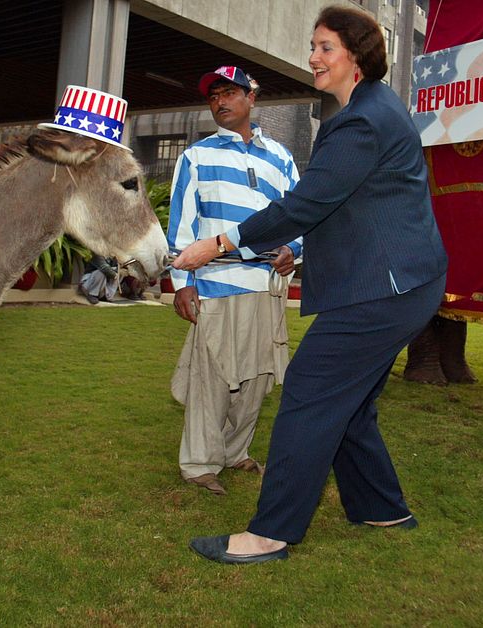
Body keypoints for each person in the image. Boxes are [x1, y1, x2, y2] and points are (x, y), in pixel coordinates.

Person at [172, 5, 448, 563]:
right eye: (313, 47)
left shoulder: (362, 120)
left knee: (308, 394)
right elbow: (333, 208)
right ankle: (380, 506)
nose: (313, 57)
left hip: (384, 289)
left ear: (357, 54)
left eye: (325, 47)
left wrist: (219, 245)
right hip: (397, 285)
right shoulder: (370, 111)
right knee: (349, 404)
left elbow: (305, 204)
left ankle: (271, 532)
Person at [166, 65, 302, 495]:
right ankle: (200, 463)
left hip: (267, 287)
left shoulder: (280, 157)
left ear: (251, 98)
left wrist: (293, 250)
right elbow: (182, 227)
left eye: (230, 93)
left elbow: (299, 214)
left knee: (258, 379)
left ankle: (235, 450)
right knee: (213, 379)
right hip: (215, 284)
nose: (220, 102)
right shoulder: (197, 157)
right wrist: (181, 282)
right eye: (213, 97)